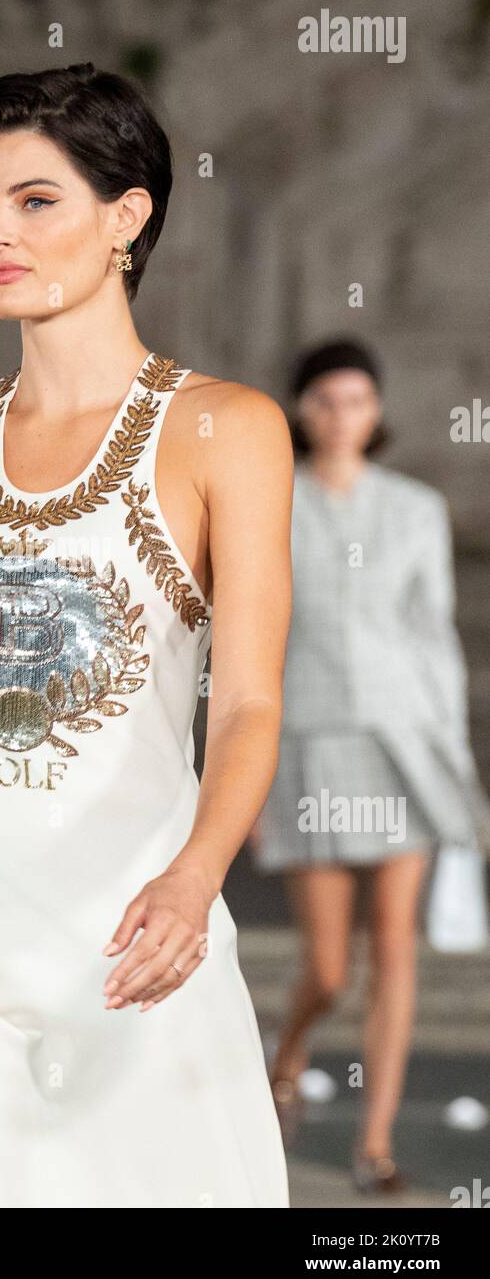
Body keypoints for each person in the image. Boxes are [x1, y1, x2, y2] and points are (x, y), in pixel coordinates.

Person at [0, 62, 294, 1208]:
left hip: (130, 930)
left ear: (125, 216)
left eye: (35, 200)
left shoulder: (223, 430)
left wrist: (195, 881)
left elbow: (245, 701)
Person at [252, 337, 489, 1195]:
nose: (341, 415)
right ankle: (287, 1056)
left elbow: (434, 638)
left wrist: (455, 761)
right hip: (310, 739)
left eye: (356, 400)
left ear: (378, 410)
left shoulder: (415, 508)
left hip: (403, 740)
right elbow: (251, 635)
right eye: (324, 399)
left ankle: (374, 1147)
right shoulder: (268, 503)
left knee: (396, 947)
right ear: (301, 408)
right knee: (327, 966)